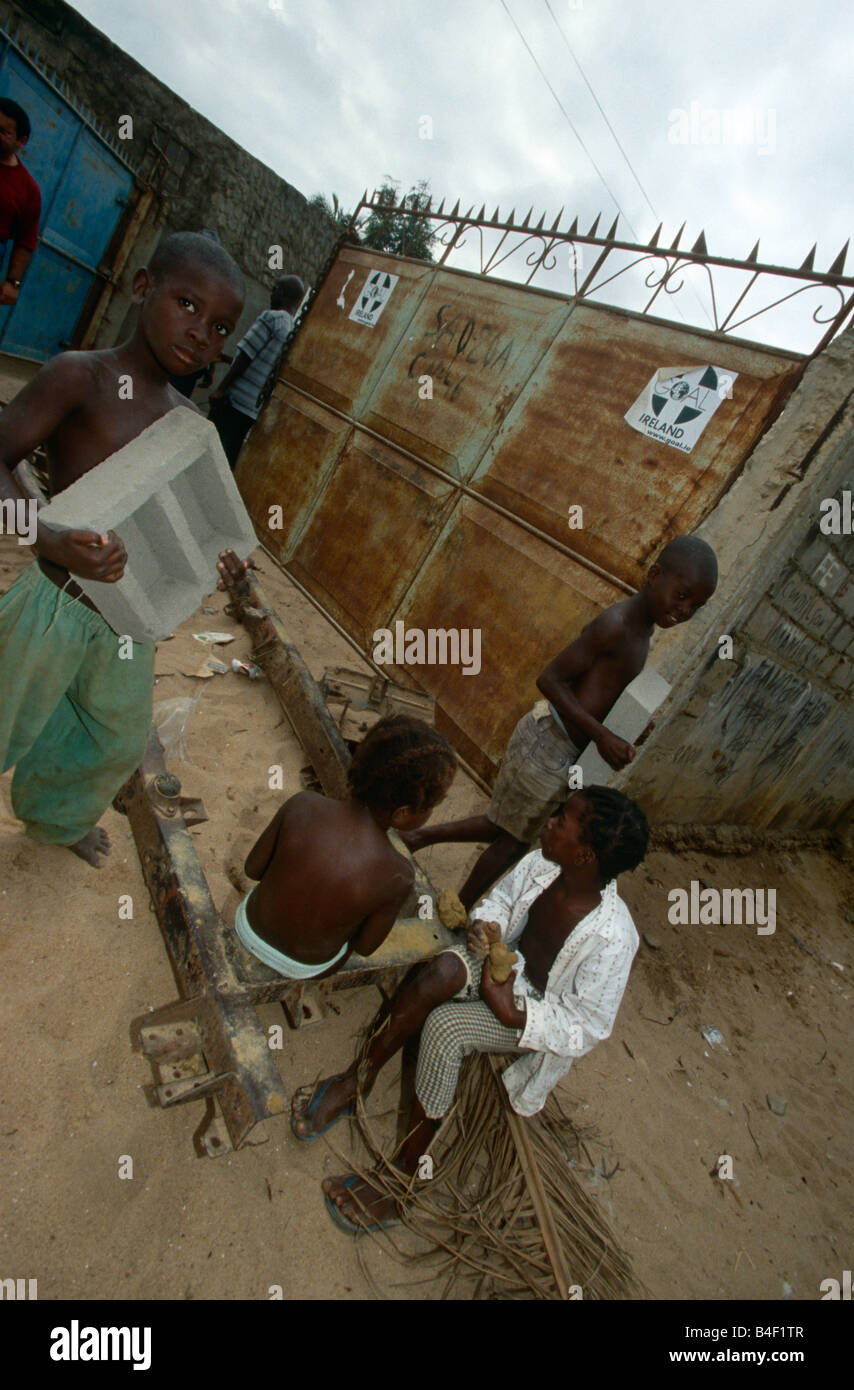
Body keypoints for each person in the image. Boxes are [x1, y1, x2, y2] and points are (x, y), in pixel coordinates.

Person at [292, 785, 649, 1233]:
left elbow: (588, 1026)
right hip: (505, 963)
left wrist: (515, 1015)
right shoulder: (543, 863)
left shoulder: (614, 938)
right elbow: (500, 902)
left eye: (563, 820)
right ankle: (357, 1078)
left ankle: (406, 1173)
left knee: (445, 1028)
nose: (551, 821)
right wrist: (487, 925)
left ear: (585, 857)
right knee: (441, 971)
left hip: (533, 1011)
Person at [0, 231, 247, 867]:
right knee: (3, 718)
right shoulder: (79, 376)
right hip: (55, 605)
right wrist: (50, 540)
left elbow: (185, 526)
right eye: (188, 305)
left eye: (220, 327)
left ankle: (56, 816)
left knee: (113, 739)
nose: (201, 334)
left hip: (129, 626)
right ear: (143, 287)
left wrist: (215, 565)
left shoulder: (185, 426)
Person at [402, 535, 718, 908]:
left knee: (507, 829)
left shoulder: (642, 632)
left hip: (562, 751)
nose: (683, 611)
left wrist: (629, 726)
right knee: (511, 842)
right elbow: (550, 680)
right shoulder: (616, 625)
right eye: (681, 596)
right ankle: (458, 909)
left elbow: (598, 690)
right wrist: (602, 736)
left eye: (695, 606)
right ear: (655, 574)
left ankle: (418, 840)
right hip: (547, 743)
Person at [235, 714, 457, 980]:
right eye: (430, 807)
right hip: (307, 966)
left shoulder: (302, 804)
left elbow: (252, 869)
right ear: (401, 813)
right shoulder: (398, 875)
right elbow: (364, 947)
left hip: (248, 928)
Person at [208, 273, 305, 468]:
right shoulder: (293, 329)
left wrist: (221, 388)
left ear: (283, 294)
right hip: (252, 409)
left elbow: (247, 355)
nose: (271, 294)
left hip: (234, 401)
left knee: (209, 449)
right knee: (227, 456)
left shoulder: (272, 317)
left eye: (275, 289)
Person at [0, 97, 40, 308]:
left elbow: (26, 240)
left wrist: (12, 282)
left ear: (21, 141)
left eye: (3, 132)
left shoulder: (28, 189)